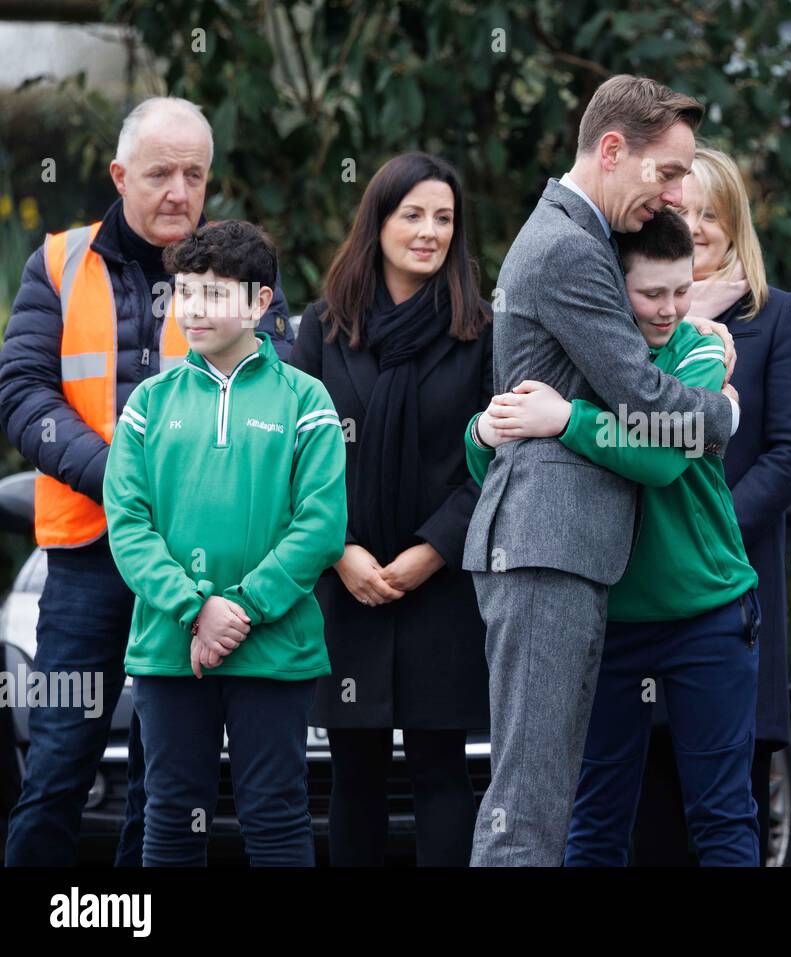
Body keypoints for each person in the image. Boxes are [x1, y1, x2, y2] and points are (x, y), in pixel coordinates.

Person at [0, 96, 294, 867]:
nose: (179, 191)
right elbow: (24, 391)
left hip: (195, 567)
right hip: (90, 558)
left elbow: (278, 387)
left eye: (195, 174)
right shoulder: (58, 262)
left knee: (164, 782)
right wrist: (124, 481)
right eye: (160, 172)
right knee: (59, 765)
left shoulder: (240, 271)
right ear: (119, 174)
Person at [461, 74, 739, 866]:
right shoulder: (570, 249)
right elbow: (645, 397)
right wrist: (723, 410)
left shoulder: (573, 236)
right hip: (545, 548)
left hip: (560, 550)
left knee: (543, 798)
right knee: (529, 805)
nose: (677, 195)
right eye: (669, 172)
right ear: (612, 150)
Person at [103, 220, 345, 866]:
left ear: (261, 303)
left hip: (274, 648)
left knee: (275, 816)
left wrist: (239, 608)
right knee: (173, 820)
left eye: (215, 294)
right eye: (185, 292)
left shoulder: (307, 400)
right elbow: (127, 524)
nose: (195, 309)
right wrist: (195, 607)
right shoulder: (149, 403)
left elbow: (320, 525)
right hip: (169, 646)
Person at [291, 153, 492, 866]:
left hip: (441, 583)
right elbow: (298, 455)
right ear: (377, 221)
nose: (430, 232)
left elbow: (497, 464)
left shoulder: (481, 332)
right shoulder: (323, 327)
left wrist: (432, 549)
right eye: (413, 214)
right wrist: (339, 550)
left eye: (444, 218)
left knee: (443, 770)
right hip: (345, 582)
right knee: (355, 773)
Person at [629, 147, 791, 864]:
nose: (698, 226)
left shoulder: (772, 320)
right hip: (640, 589)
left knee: (725, 809)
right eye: (683, 211)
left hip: (728, 583)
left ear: (735, 225)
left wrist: (711, 526)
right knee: (645, 810)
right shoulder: (628, 318)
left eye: (713, 213)